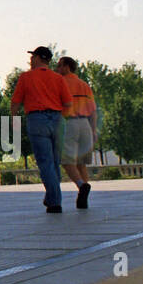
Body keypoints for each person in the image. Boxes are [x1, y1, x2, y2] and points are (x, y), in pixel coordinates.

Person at [10, 46, 72, 212]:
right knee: (54, 162)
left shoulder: (26, 77)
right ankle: (52, 196)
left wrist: (14, 120)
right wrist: (59, 116)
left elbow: (16, 101)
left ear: (37, 58)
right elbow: (68, 103)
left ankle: (54, 202)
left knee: (45, 162)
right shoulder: (58, 78)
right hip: (57, 119)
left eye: (32, 57)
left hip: (37, 119)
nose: (30, 60)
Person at [57, 56, 97, 209]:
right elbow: (93, 110)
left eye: (59, 66)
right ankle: (84, 193)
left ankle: (82, 186)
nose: (57, 69)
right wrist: (93, 131)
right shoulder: (84, 85)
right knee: (81, 163)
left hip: (70, 123)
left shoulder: (61, 83)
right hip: (85, 124)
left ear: (67, 67)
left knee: (67, 161)